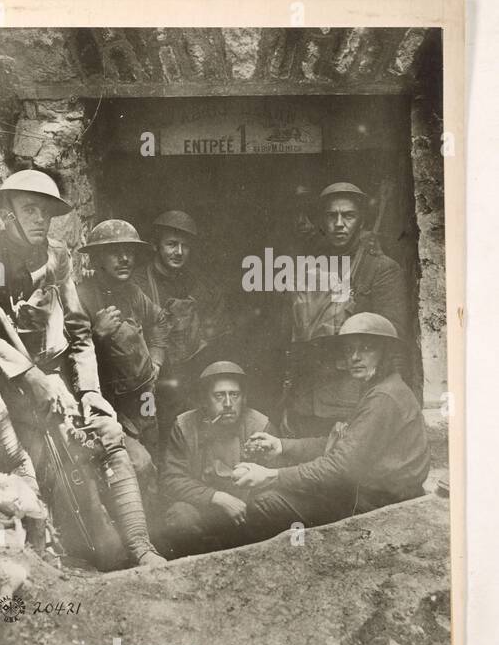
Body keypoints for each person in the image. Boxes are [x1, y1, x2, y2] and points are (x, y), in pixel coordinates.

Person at [0, 170, 165, 568]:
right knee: (61, 486)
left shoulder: (58, 257)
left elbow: (79, 331)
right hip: (5, 388)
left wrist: (89, 393)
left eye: (46, 212)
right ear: (8, 214)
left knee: (106, 431)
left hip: (54, 378)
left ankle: (142, 547)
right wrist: (32, 378)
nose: (39, 219)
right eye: (29, 209)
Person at [232, 314, 429, 538]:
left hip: (378, 506)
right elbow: (343, 445)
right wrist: (281, 446)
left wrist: (271, 475)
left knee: (264, 502)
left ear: (386, 353)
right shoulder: (380, 388)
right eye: (349, 350)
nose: (355, 357)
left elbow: (339, 468)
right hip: (368, 494)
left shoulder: (384, 397)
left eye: (366, 348)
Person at [282, 182, 411, 437]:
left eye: (348, 215)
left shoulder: (381, 268)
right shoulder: (310, 268)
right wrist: (288, 399)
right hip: (305, 399)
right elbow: (294, 339)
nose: (339, 223)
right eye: (331, 216)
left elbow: (393, 339)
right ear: (322, 221)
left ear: (361, 220)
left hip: (351, 401)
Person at [74, 219, 170, 465]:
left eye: (129, 252)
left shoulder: (132, 292)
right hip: (111, 405)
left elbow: (158, 319)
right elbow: (71, 356)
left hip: (145, 397)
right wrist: (97, 334)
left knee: (154, 450)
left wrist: (156, 362)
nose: (125, 258)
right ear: (96, 260)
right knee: (137, 465)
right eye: (115, 252)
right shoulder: (80, 297)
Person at [159, 362, 277, 557]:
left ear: (243, 398)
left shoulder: (260, 426)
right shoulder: (185, 426)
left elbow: (276, 480)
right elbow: (171, 479)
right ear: (205, 400)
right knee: (180, 517)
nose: (228, 403)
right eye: (219, 396)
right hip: (202, 510)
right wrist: (217, 497)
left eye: (235, 395)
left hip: (246, 512)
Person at [134, 210, 225, 454]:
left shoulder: (198, 283)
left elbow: (213, 328)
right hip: (149, 379)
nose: (179, 252)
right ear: (156, 245)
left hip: (186, 378)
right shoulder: (138, 282)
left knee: (187, 439)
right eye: (171, 244)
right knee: (151, 437)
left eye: (185, 246)